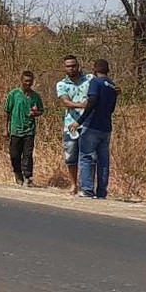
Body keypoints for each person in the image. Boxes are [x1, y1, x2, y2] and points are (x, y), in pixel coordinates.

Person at [76, 59, 118, 199]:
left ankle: (87, 189)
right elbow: (112, 108)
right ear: (108, 70)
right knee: (103, 160)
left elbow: (92, 100)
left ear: (95, 70)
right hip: (106, 127)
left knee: (86, 156)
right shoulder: (112, 85)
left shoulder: (95, 82)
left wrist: (79, 121)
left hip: (92, 125)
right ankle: (101, 192)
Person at [56, 55, 92, 196]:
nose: (72, 68)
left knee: (87, 156)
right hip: (70, 125)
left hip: (88, 124)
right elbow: (65, 102)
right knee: (70, 156)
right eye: (68, 66)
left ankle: (87, 186)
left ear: (78, 65)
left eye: (74, 65)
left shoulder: (89, 79)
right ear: (64, 68)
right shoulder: (61, 84)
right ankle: (73, 184)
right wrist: (82, 105)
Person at [4, 71, 45, 186]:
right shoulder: (14, 94)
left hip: (29, 130)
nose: (28, 83)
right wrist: (5, 128)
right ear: (21, 80)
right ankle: (17, 173)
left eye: (30, 81)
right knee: (14, 154)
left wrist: (35, 113)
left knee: (27, 154)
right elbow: (7, 111)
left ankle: (27, 176)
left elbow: (41, 110)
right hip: (16, 129)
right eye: (26, 81)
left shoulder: (35, 96)